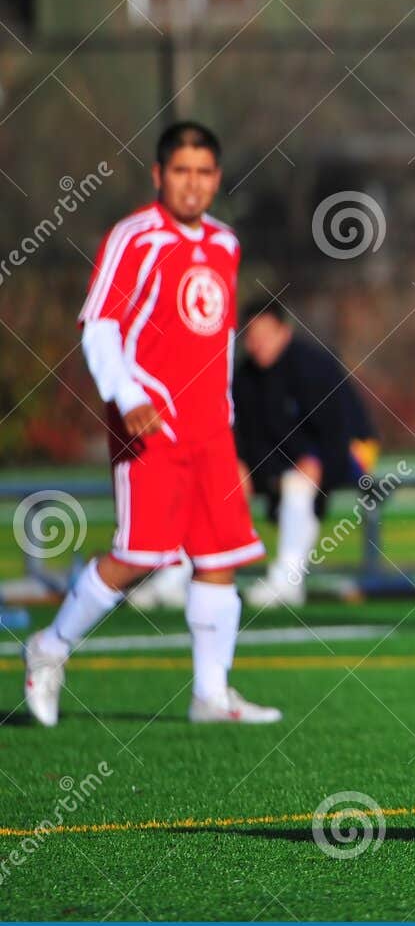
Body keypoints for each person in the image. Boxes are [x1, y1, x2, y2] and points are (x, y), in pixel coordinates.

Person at [23, 122, 281, 726]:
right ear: (159, 175)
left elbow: (217, 340)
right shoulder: (135, 237)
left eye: (204, 172)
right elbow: (101, 323)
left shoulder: (224, 242)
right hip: (152, 424)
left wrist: (229, 424)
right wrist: (124, 393)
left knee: (220, 555)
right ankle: (50, 647)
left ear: (217, 179)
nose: (193, 184)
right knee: (139, 555)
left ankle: (210, 695)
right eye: (181, 171)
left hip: (212, 429)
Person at [232, 298, 381, 606]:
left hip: (350, 450)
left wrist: (317, 462)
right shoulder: (245, 378)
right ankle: (180, 574)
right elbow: (248, 437)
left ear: (284, 332)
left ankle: (287, 579)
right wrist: (243, 464)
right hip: (286, 461)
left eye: (265, 335)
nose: (258, 344)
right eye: (251, 336)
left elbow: (337, 429)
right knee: (223, 479)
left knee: (298, 483)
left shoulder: (313, 366)